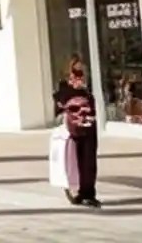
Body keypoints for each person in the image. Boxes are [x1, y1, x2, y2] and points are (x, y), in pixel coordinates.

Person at [52, 55, 99, 207]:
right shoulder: (65, 88)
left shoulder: (87, 87)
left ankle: (87, 192)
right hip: (74, 128)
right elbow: (60, 104)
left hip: (88, 127)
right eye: (76, 70)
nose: (79, 75)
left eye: (82, 70)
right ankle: (80, 191)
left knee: (88, 161)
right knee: (75, 160)